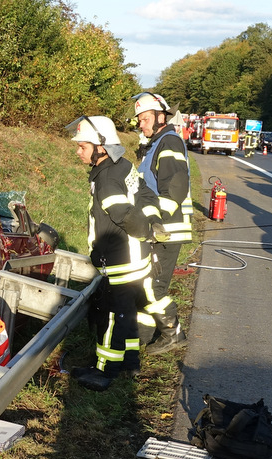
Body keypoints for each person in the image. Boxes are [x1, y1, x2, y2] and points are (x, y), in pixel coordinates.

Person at [66, 115, 162, 390]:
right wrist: (152, 225)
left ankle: (104, 370)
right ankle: (130, 361)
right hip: (137, 256)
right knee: (127, 311)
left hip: (121, 260)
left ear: (101, 147)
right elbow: (145, 194)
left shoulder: (106, 179)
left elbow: (123, 215)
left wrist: (145, 230)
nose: (78, 151)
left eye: (82, 146)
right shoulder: (124, 166)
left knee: (110, 314)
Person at [132, 92, 192, 355]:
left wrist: (155, 224)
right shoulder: (155, 144)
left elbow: (174, 191)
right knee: (144, 285)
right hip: (155, 231)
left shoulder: (169, 143)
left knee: (152, 287)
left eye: (144, 119)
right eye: (139, 120)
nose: (140, 125)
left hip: (166, 231)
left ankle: (173, 334)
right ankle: (142, 337)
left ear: (160, 117)